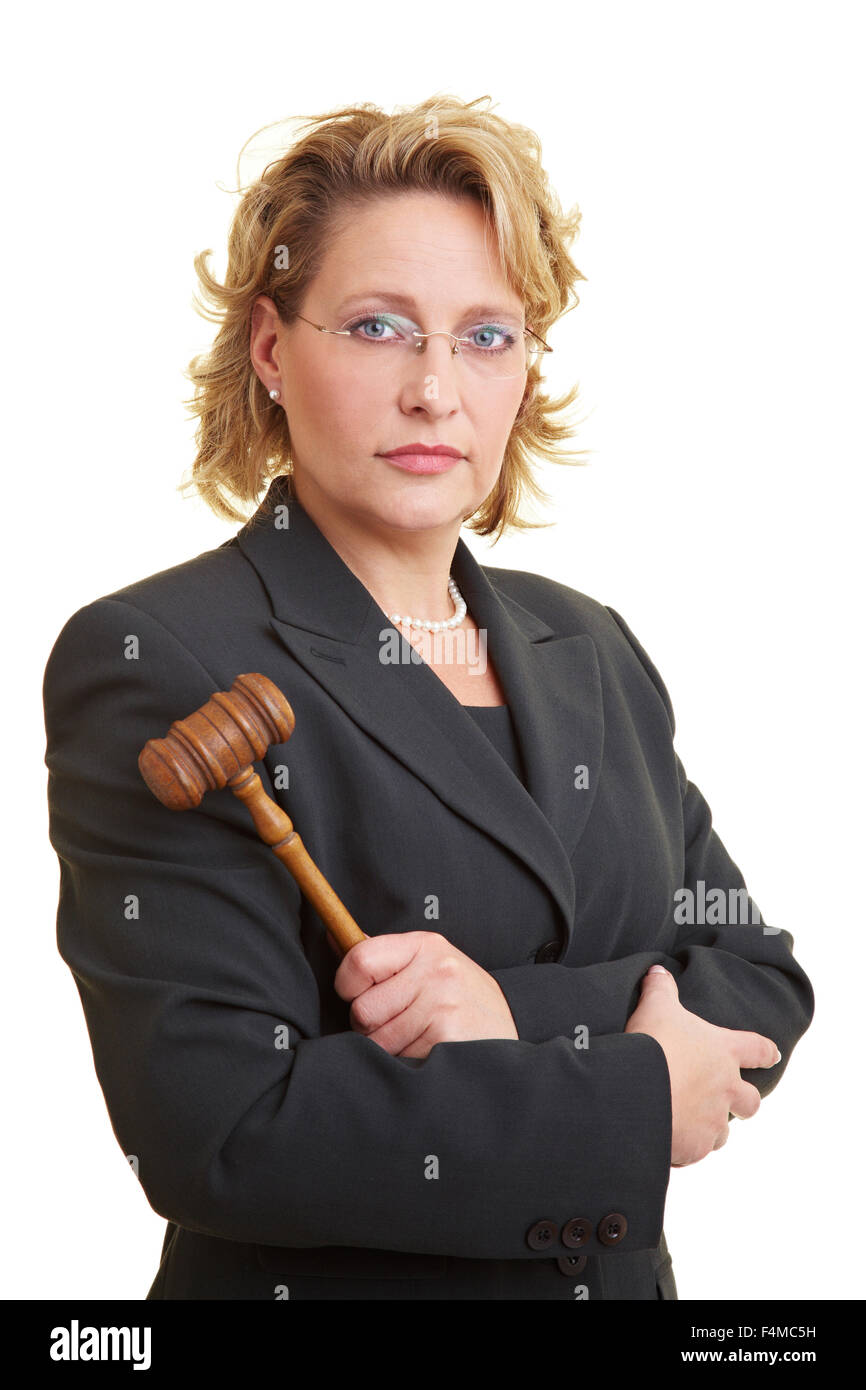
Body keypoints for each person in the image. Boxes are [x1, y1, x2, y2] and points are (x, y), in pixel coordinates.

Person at [42, 94, 814, 1301]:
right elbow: (224, 1132)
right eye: (377, 327)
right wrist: (629, 1082)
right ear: (268, 348)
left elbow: (753, 971)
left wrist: (510, 1011)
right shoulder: (156, 655)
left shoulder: (587, 644)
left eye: (485, 335)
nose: (434, 391)